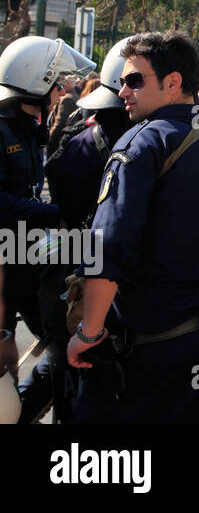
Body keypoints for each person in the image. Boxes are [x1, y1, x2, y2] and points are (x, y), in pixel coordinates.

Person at [68, 30, 199, 423]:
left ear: (173, 82)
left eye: (134, 80)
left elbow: (107, 251)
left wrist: (88, 334)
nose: (123, 91)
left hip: (149, 351)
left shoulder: (138, 146)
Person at [27, 39, 134, 423]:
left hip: (64, 284)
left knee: (67, 392)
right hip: (109, 297)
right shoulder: (142, 152)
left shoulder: (74, 147)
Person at [0, 36, 95, 423]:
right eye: (56, 85)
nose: (60, 93)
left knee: (60, 343)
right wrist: (53, 215)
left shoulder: (24, 126)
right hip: (8, 262)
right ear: (35, 84)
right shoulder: (3, 129)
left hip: (22, 253)